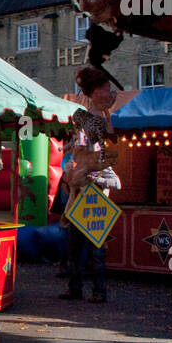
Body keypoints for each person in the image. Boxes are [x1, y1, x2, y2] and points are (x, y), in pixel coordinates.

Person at [60, 65, 120, 303]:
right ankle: (75, 288)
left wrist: (99, 179)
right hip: (78, 205)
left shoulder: (103, 161)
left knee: (97, 253)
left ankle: (99, 291)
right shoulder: (84, 125)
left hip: (95, 206)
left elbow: (116, 182)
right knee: (74, 251)